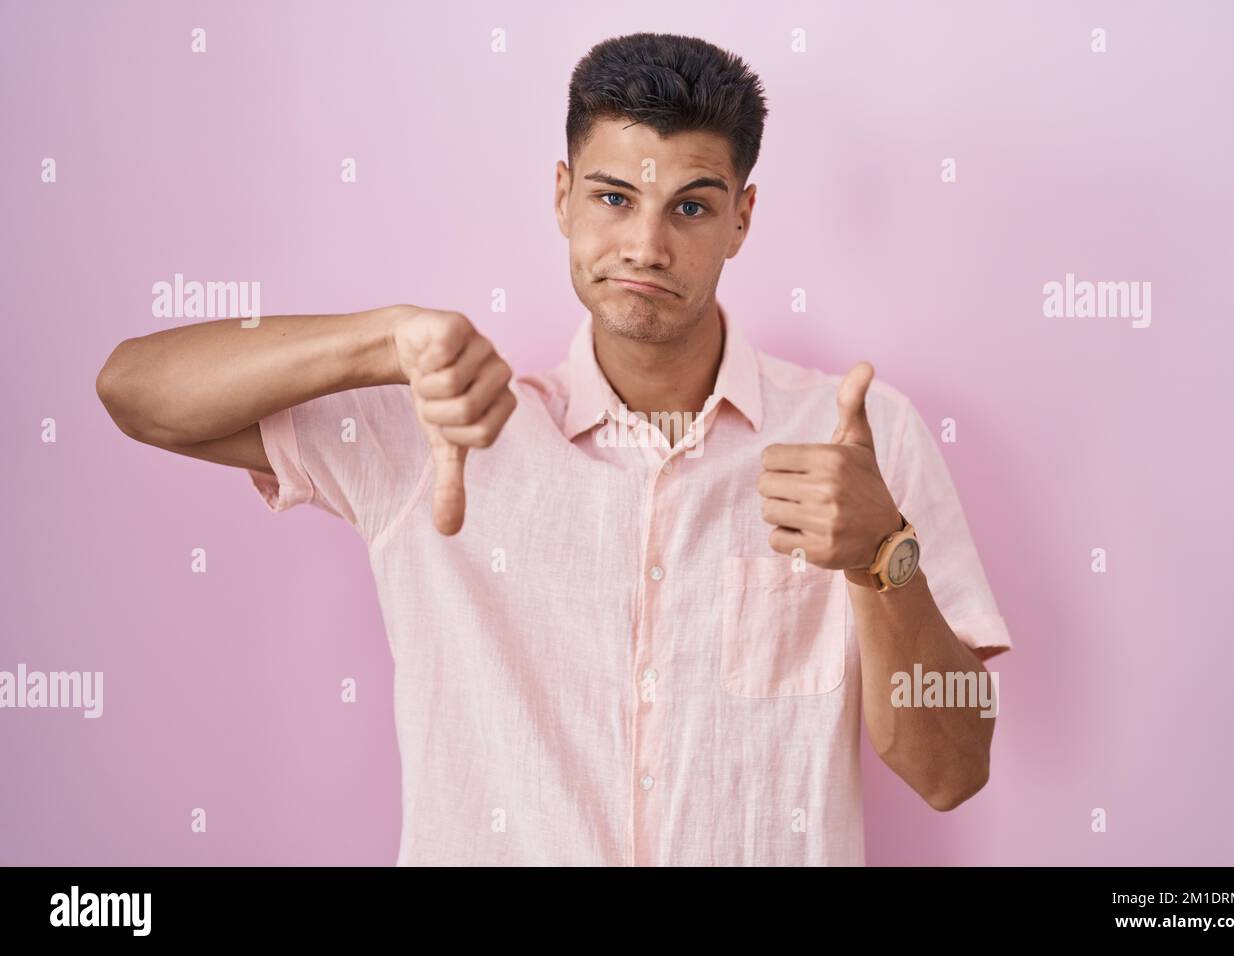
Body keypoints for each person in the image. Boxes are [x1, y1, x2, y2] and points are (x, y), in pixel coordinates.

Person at [96, 32, 1012, 866]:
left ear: (742, 218)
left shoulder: (864, 438)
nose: (646, 245)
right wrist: (381, 340)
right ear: (564, 196)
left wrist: (882, 560)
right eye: (615, 197)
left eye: (691, 208)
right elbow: (135, 392)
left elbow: (951, 770)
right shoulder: (442, 427)